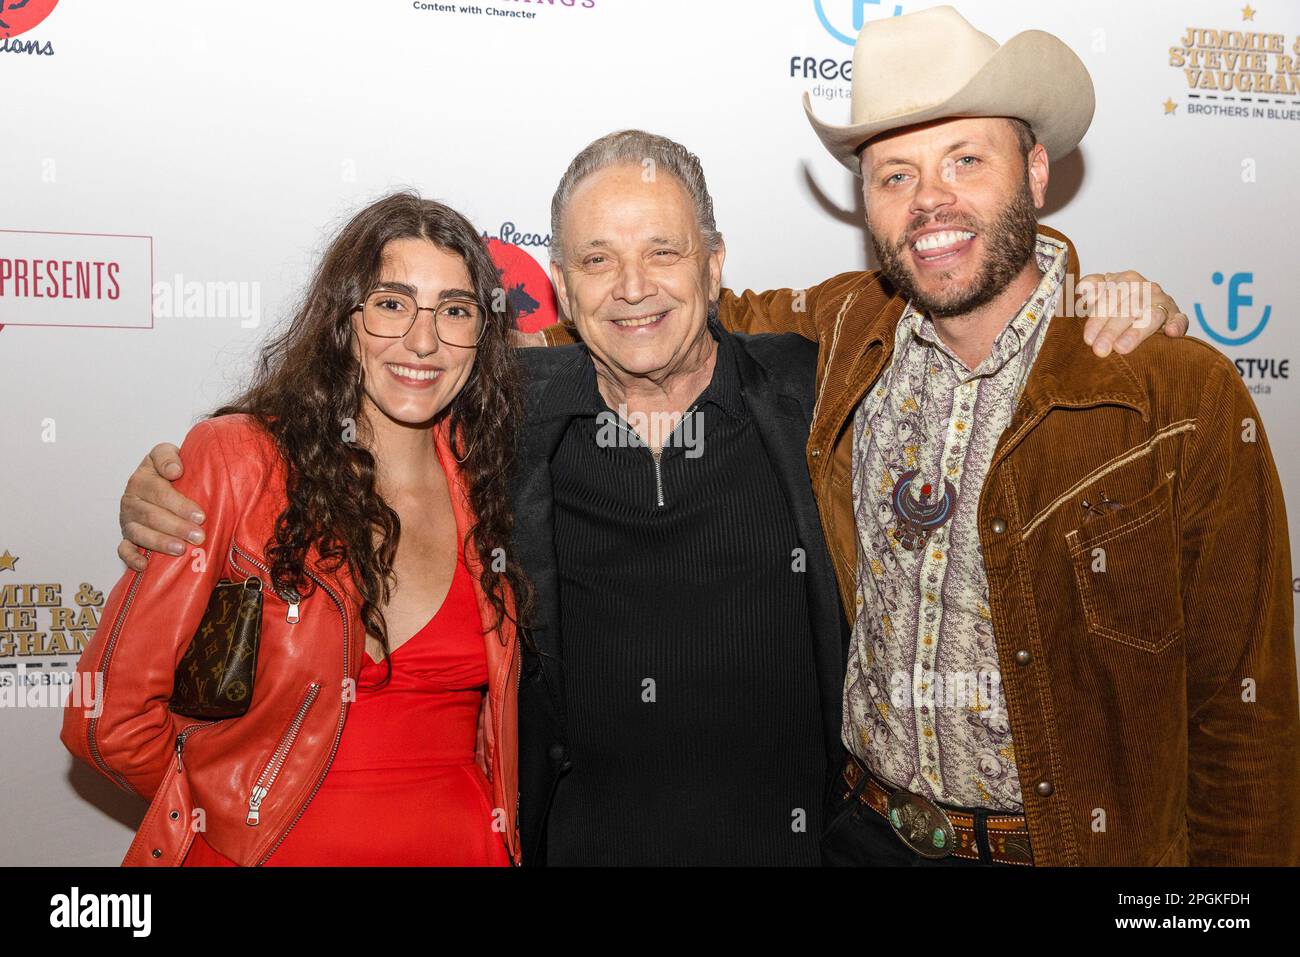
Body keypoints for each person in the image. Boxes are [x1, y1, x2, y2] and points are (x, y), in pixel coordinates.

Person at [111, 130, 1182, 866]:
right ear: (561, 291)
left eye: (663, 251)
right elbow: (331, 413)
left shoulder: (814, 387)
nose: (633, 288)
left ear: (715, 264)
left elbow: (957, 288)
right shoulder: (506, 418)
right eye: (597, 259)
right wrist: (178, 484)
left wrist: (1085, 292)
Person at [697, 6, 1297, 865]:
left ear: (1038, 171)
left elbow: (1247, 723)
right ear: (866, 202)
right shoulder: (845, 331)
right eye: (895, 175)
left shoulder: (1176, 393)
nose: (930, 200)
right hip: (865, 835)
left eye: (966, 160)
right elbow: (669, 321)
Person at [62, 192, 531, 866]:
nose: (423, 340)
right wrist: (221, 812)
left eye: (454, 310)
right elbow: (107, 717)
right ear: (343, 318)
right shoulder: (238, 462)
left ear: (481, 333)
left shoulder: (490, 475)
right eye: (392, 302)